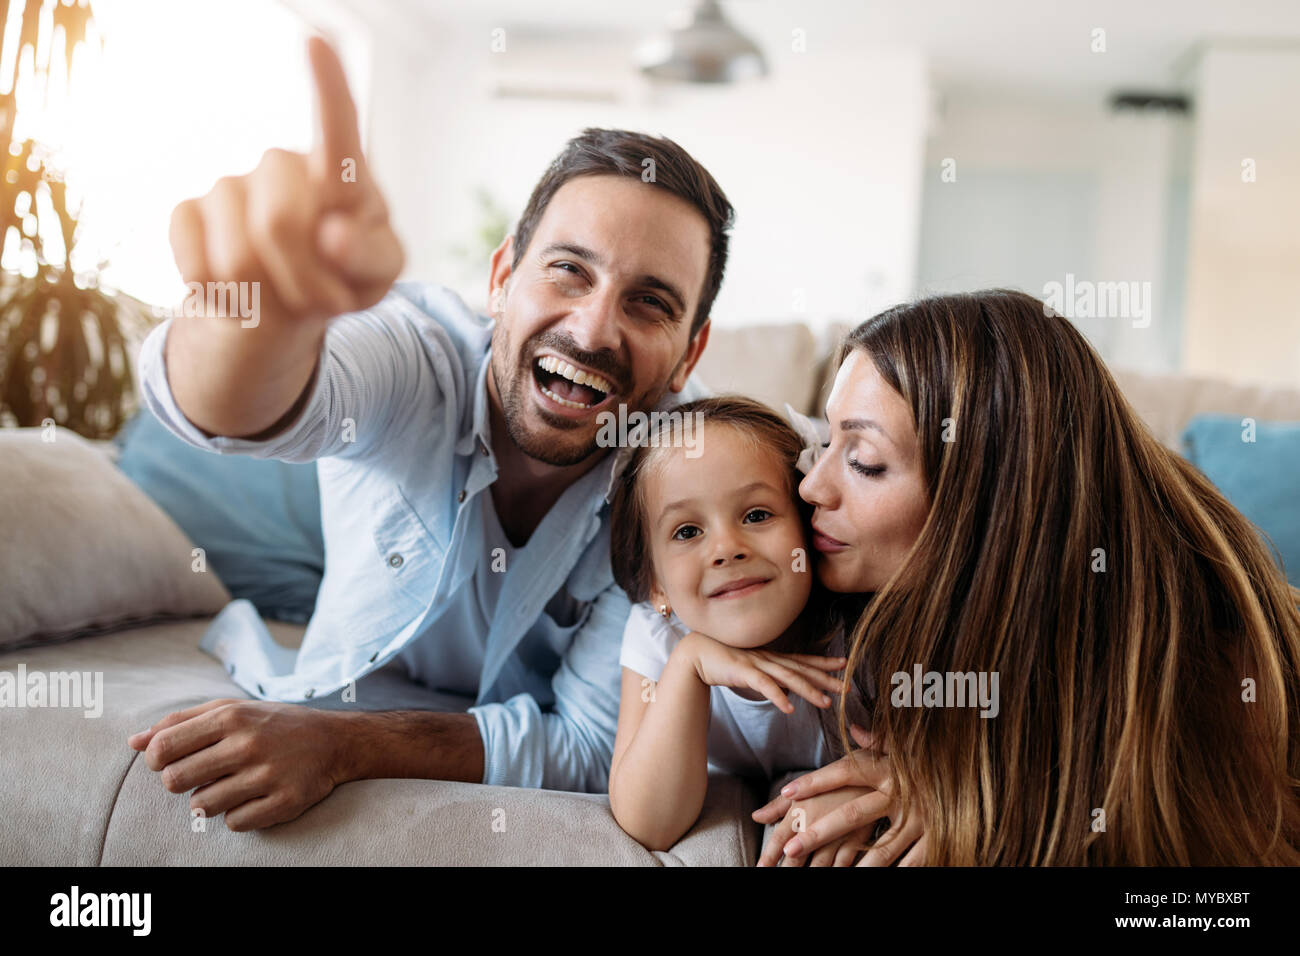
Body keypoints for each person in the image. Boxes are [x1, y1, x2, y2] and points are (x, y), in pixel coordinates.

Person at [126, 36, 733, 831]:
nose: (592, 330)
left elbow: (590, 741)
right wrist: (264, 317)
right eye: (568, 271)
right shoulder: (417, 356)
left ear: (692, 353)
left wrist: (344, 745)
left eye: (649, 303)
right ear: (500, 279)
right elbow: (235, 409)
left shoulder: (688, 477)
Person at [755, 289, 1300, 865]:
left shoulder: (1217, 660)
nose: (811, 487)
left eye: (865, 460)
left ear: (990, 497)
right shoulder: (852, 595)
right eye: (824, 442)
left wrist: (974, 808)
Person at [605, 397, 848, 850]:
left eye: (756, 515)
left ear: (808, 529)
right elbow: (650, 824)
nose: (726, 549)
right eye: (687, 531)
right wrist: (689, 663)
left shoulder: (854, 632)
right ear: (657, 585)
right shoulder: (657, 639)